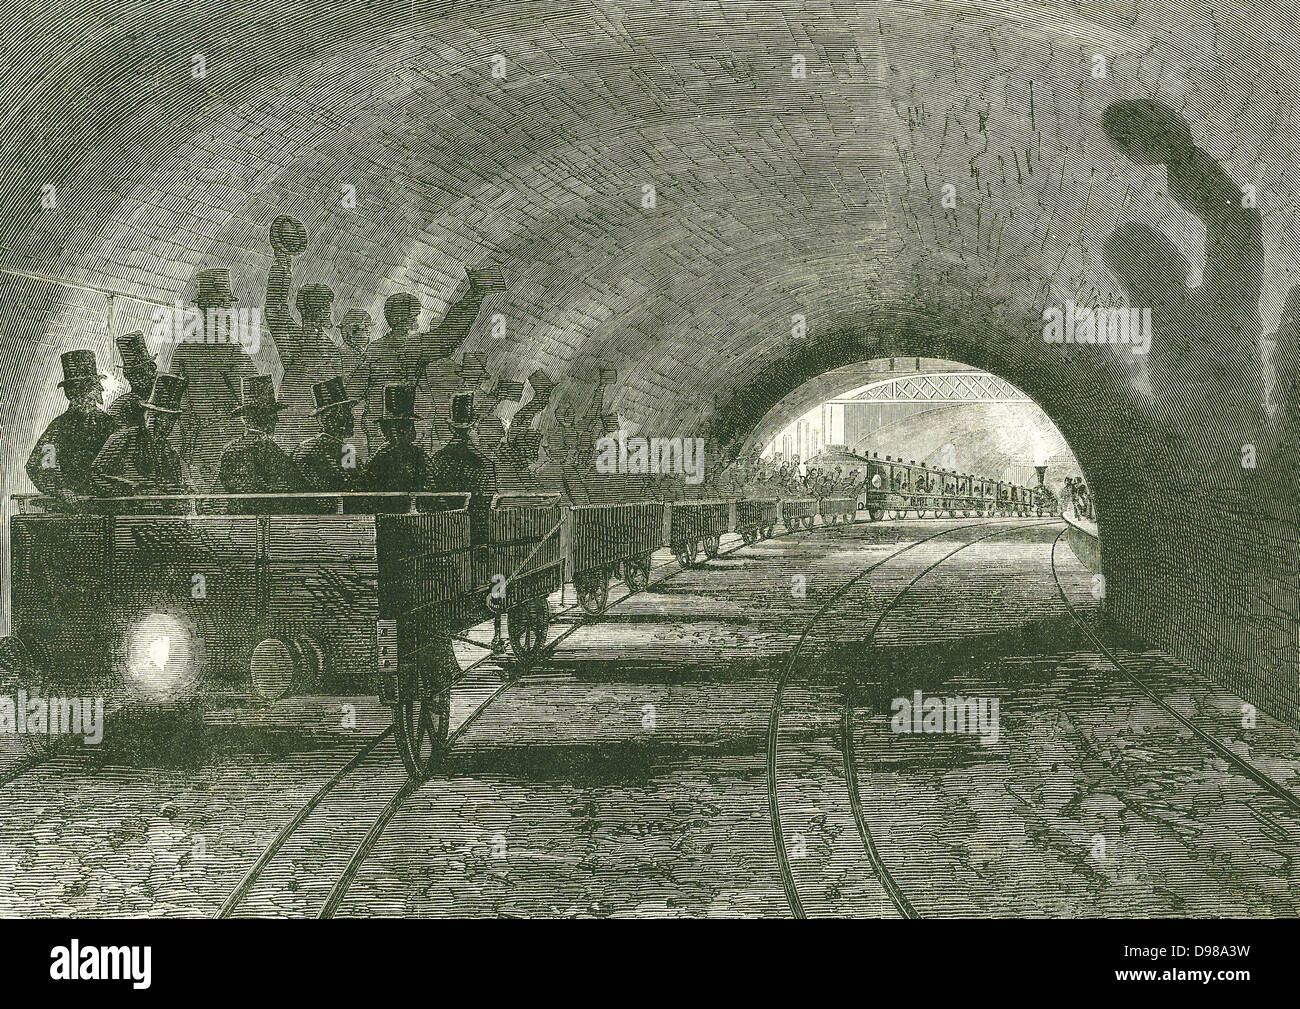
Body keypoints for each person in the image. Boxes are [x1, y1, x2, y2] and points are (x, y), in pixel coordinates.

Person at [170, 267, 260, 491]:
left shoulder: (182, 349)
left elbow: (175, 404)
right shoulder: (233, 350)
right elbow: (254, 399)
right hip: (230, 442)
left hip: (196, 444)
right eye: (226, 306)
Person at [26, 349, 120, 504]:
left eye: (90, 388)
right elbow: (40, 466)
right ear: (70, 394)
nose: (86, 396)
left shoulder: (109, 425)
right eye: (80, 390)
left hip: (107, 503)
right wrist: (59, 489)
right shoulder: (58, 428)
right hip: (72, 506)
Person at [91, 373, 191, 498]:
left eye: (170, 420)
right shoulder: (121, 439)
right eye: (156, 416)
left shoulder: (169, 453)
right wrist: (132, 489)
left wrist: (185, 489)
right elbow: (95, 476)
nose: (164, 425)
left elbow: (180, 484)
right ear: (146, 415)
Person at [217, 375, 301, 510]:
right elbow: (294, 486)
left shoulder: (229, 449)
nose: (276, 420)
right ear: (266, 418)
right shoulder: (268, 448)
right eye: (273, 414)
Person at [428, 392, 499, 544]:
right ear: (474, 425)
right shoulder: (486, 464)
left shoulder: (437, 460)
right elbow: (486, 507)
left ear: (450, 427)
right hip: (476, 536)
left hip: (442, 534)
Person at [291, 376, 364, 491]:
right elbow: (358, 488)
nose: (352, 418)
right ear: (333, 417)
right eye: (347, 413)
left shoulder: (302, 448)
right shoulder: (344, 450)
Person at [363, 383, 434, 492]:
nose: (409, 430)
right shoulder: (381, 457)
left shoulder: (418, 455)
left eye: (408, 425)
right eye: (404, 426)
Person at [106, 330, 157, 428]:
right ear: (127, 376)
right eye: (135, 374)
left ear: (153, 369)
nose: (138, 379)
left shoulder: (161, 400)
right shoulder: (121, 406)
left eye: (142, 372)